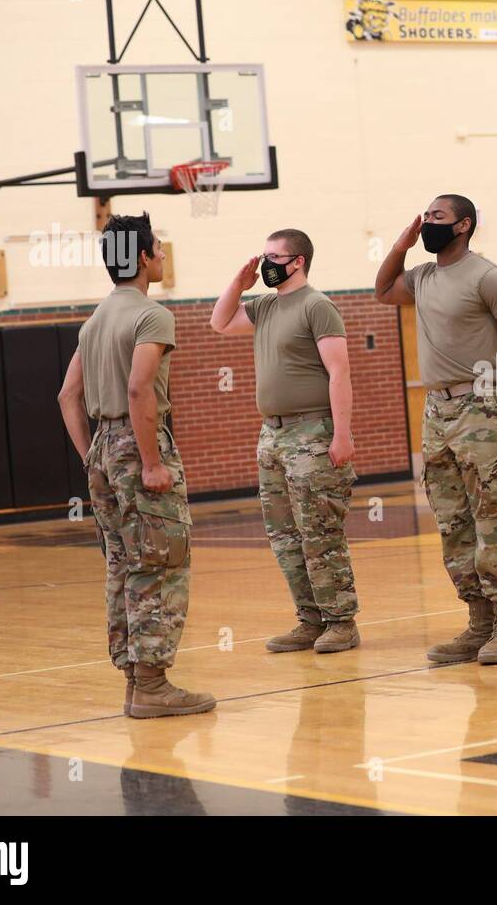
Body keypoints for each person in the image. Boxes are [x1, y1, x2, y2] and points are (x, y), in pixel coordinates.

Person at [57, 212, 215, 718]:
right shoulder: (152, 315)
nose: (163, 255)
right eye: (159, 249)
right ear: (143, 257)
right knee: (160, 563)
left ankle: (134, 681)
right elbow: (138, 389)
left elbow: (67, 396)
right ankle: (152, 684)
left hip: (103, 450)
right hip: (138, 443)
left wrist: (91, 457)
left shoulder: (94, 323)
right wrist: (150, 462)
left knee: (122, 564)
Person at [375, 194, 497, 665]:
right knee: (453, 524)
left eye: (438, 217)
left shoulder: (486, 276)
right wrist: (402, 243)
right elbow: (383, 290)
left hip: (482, 403)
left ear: (464, 225)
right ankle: (478, 625)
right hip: (437, 410)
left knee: (494, 518)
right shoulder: (423, 276)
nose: (428, 222)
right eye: (426, 215)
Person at [210, 228, 361, 653]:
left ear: (298, 262)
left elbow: (339, 372)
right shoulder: (264, 306)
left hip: (312, 432)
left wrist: (342, 433)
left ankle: (341, 622)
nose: (266, 265)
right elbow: (219, 322)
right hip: (272, 435)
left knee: (319, 531)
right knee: (284, 535)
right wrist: (238, 284)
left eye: (274, 257)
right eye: (264, 257)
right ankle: (309, 620)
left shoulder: (317, 306)